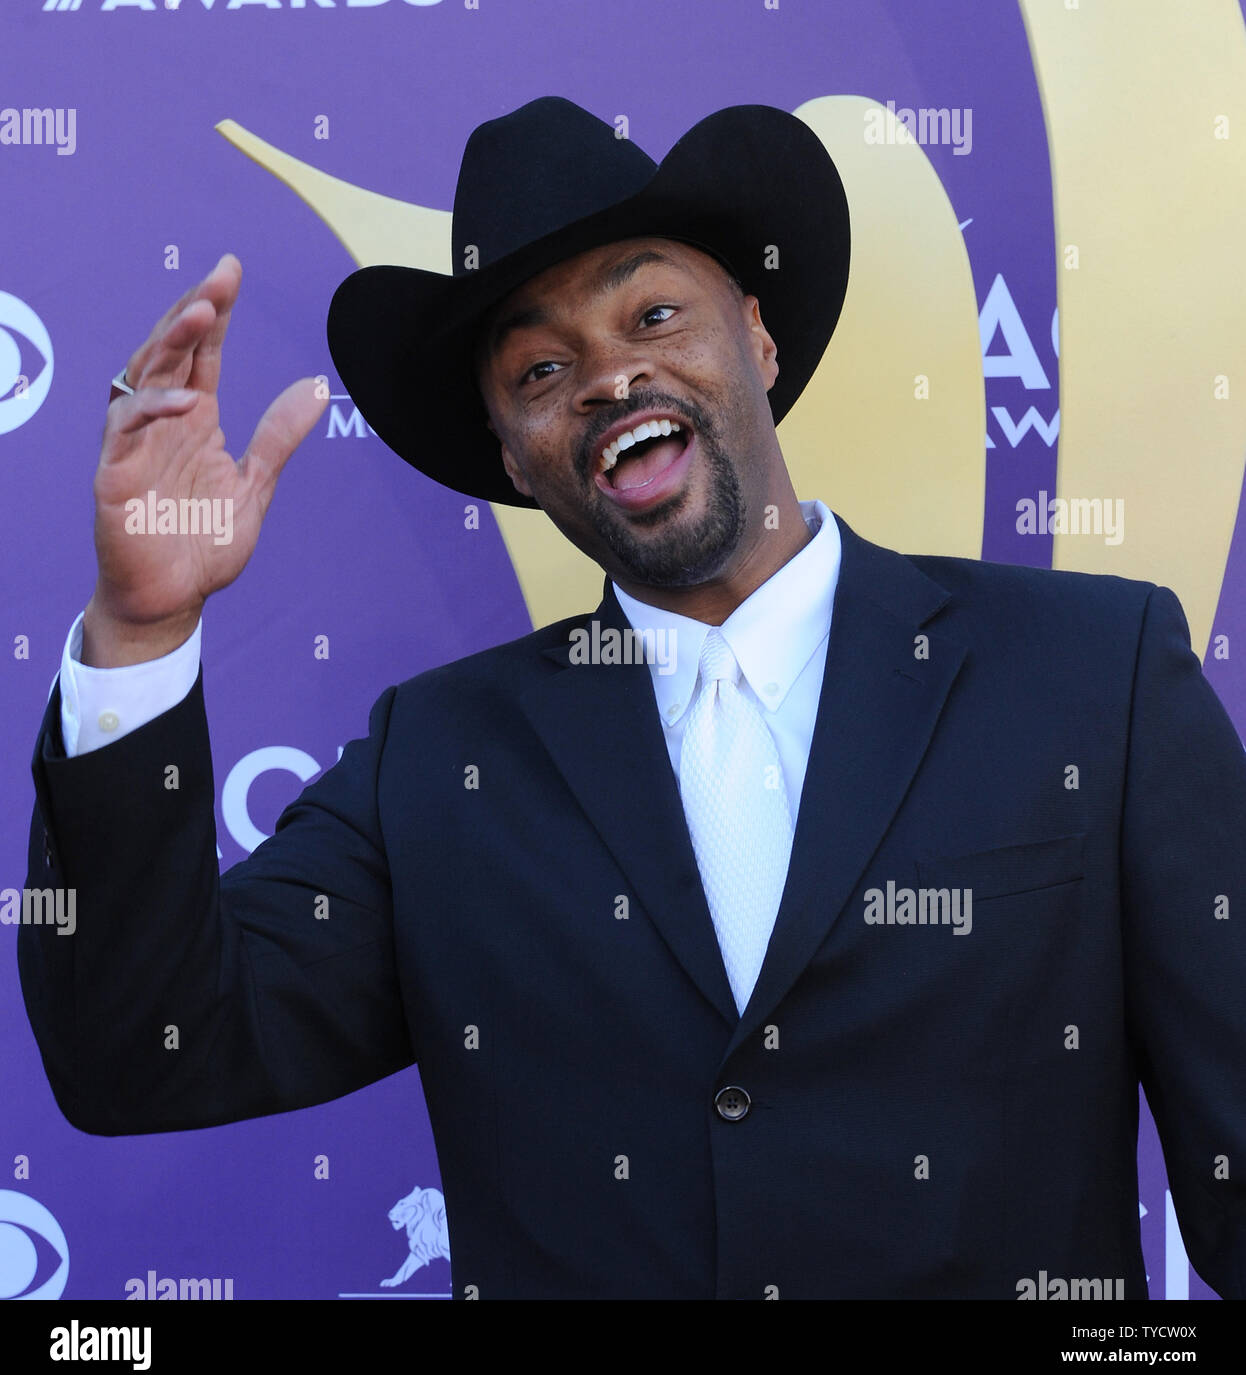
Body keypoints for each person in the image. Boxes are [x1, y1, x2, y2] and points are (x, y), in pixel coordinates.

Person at [19, 97, 1246, 1301]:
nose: (610, 375)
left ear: (756, 339)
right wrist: (142, 626)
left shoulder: (1095, 673)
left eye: (652, 311)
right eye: (543, 368)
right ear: (512, 454)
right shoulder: (437, 760)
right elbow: (144, 1053)